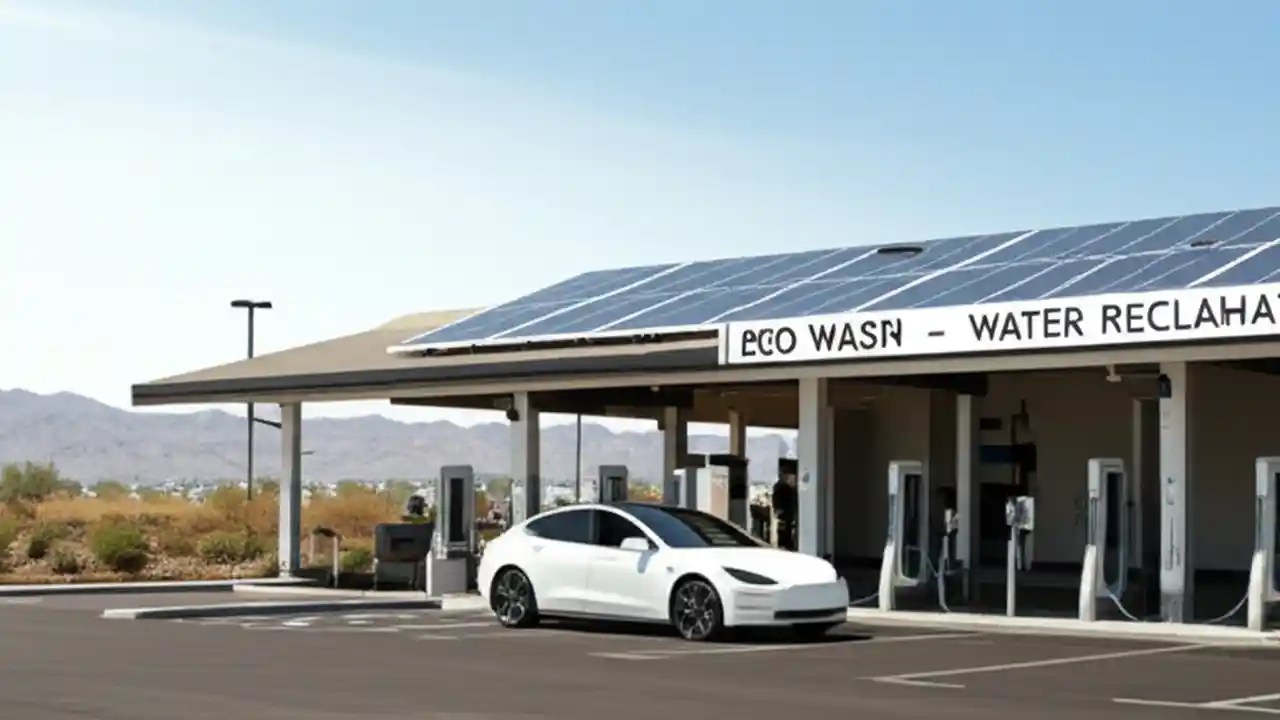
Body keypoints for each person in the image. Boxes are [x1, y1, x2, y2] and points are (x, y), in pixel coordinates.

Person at [772, 459, 799, 550]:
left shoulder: (786, 488)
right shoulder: (782, 487)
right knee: (784, 535)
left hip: (787, 516)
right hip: (785, 516)